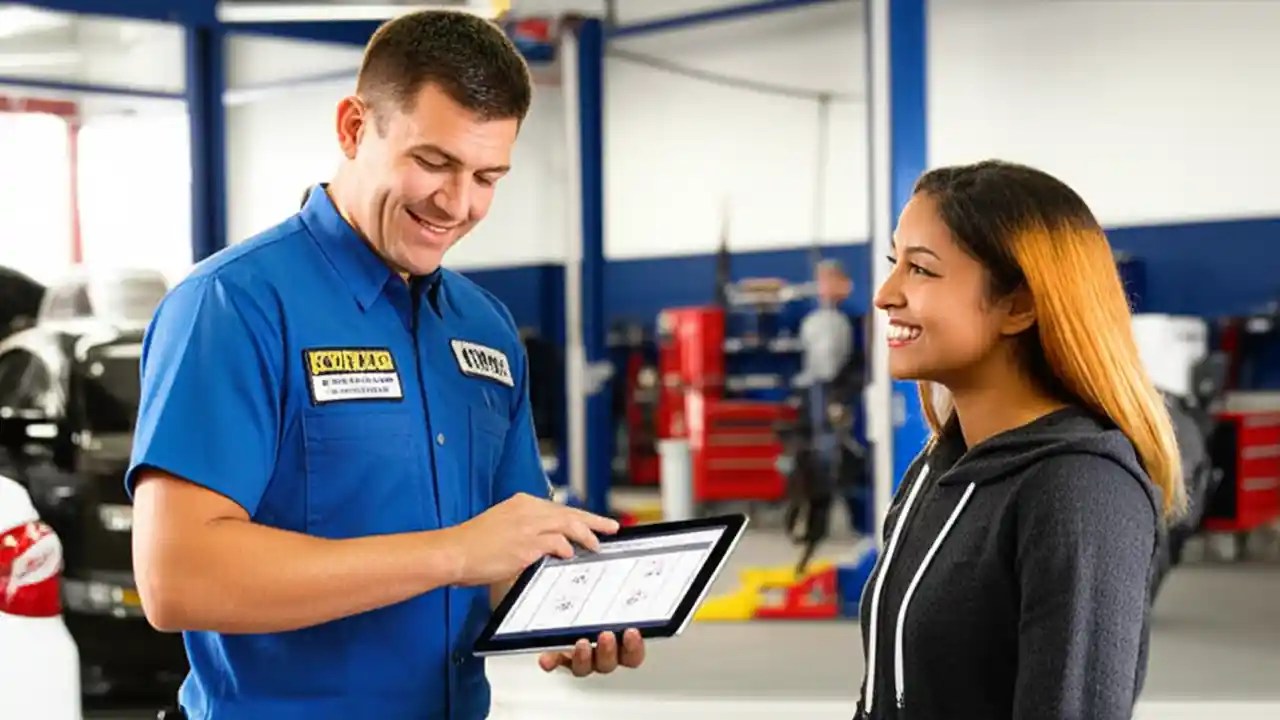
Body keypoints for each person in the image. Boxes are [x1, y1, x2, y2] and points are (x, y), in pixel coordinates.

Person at [127, 11, 644, 720]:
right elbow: (177, 578)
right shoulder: (233, 307)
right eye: (433, 163)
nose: (457, 204)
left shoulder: (485, 328)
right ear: (352, 128)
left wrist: (568, 614)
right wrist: (452, 554)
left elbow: (508, 551)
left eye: (488, 176)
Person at [855, 160, 1185, 720]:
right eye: (895, 263)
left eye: (921, 270)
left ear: (1019, 305)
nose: (886, 294)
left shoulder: (1081, 491)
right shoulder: (939, 469)